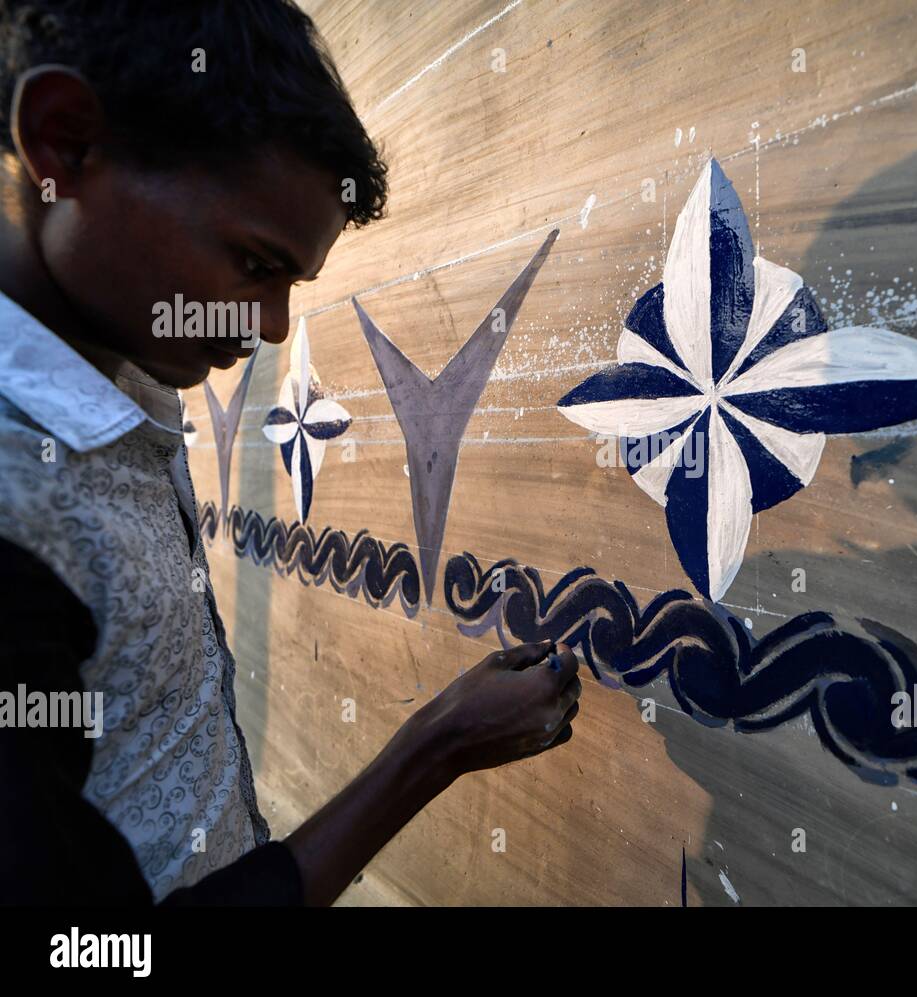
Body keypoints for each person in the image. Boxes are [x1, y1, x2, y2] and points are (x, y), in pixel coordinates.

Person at [0, 0, 581, 906]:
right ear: (66, 143)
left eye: (291, 283)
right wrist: (432, 748)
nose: (269, 327)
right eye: (253, 262)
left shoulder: (123, 364)